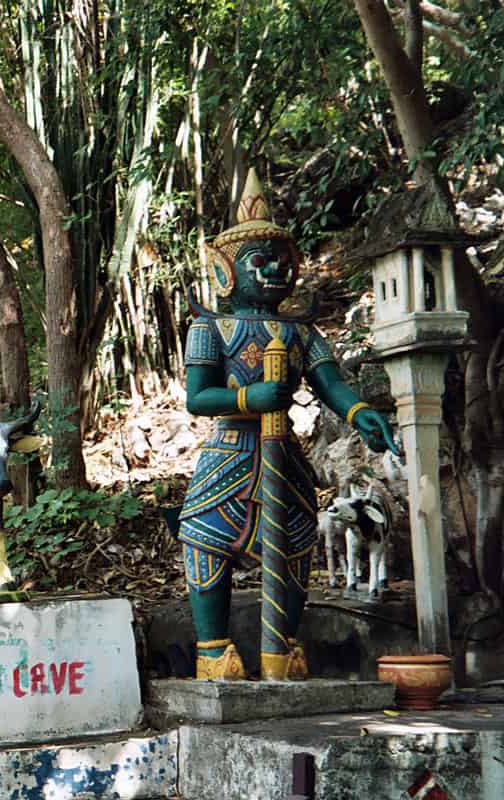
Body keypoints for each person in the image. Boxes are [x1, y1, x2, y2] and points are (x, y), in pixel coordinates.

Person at [176, 170, 399, 681]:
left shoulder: (302, 332)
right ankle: (213, 648)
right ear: (225, 272)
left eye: (282, 261)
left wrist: (360, 413)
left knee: (295, 545)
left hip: (285, 459)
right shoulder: (210, 328)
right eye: (261, 261)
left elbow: (331, 383)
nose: (275, 269)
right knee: (206, 538)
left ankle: (282, 647)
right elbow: (197, 397)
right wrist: (246, 396)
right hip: (230, 453)